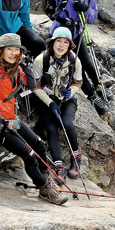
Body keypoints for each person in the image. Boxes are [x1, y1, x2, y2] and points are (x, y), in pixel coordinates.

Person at [0, 33, 68, 205]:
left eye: (16, 49)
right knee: (29, 155)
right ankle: (44, 188)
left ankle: (46, 178)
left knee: (39, 144)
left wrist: (26, 66)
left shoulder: (15, 69)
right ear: (0, 51)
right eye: (9, 49)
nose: (13, 53)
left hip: (11, 119)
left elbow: (31, 87)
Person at [47, 0, 108, 115]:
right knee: (73, 66)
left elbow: (93, 16)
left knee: (87, 63)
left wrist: (86, 8)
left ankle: (100, 87)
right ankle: (92, 96)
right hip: (61, 31)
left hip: (77, 32)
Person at [32, 28, 84, 182]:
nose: (61, 45)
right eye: (58, 41)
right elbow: (35, 86)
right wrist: (50, 103)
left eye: (65, 42)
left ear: (69, 45)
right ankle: (59, 166)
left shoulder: (75, 60)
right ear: (52, 42)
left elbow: (78, 82)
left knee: (67, 123)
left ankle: (76, 158)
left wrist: (72, 91)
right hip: (47, 100)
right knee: (51, 128)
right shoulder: (41, 60)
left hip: (67, 100)